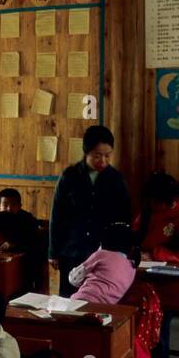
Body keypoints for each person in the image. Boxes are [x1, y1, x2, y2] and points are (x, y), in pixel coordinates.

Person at [49, 125, 131, 297]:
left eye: (107, 156)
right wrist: (53, 252)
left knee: (96, 301)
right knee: (69, 302)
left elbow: (124, 217)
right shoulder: (70, 176)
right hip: (72, 250)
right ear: (86, 152)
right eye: (97, 156)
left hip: (103, 254)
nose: (103, 161)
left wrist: (124, 250)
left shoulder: (115, 179)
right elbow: (57, 216)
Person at [134, 172, 179, 358]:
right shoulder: (147, 213)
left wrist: (154, 253)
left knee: (160, 312)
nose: (152, 204)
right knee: (135, 306)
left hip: (173, 281)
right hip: (146, 276)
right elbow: (134, 237)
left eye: (156, 201)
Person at [69, 222, 139, 305]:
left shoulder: (102, 254)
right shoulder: (133, 267)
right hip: (107, 308)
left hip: (83, 300)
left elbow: (74, 279)